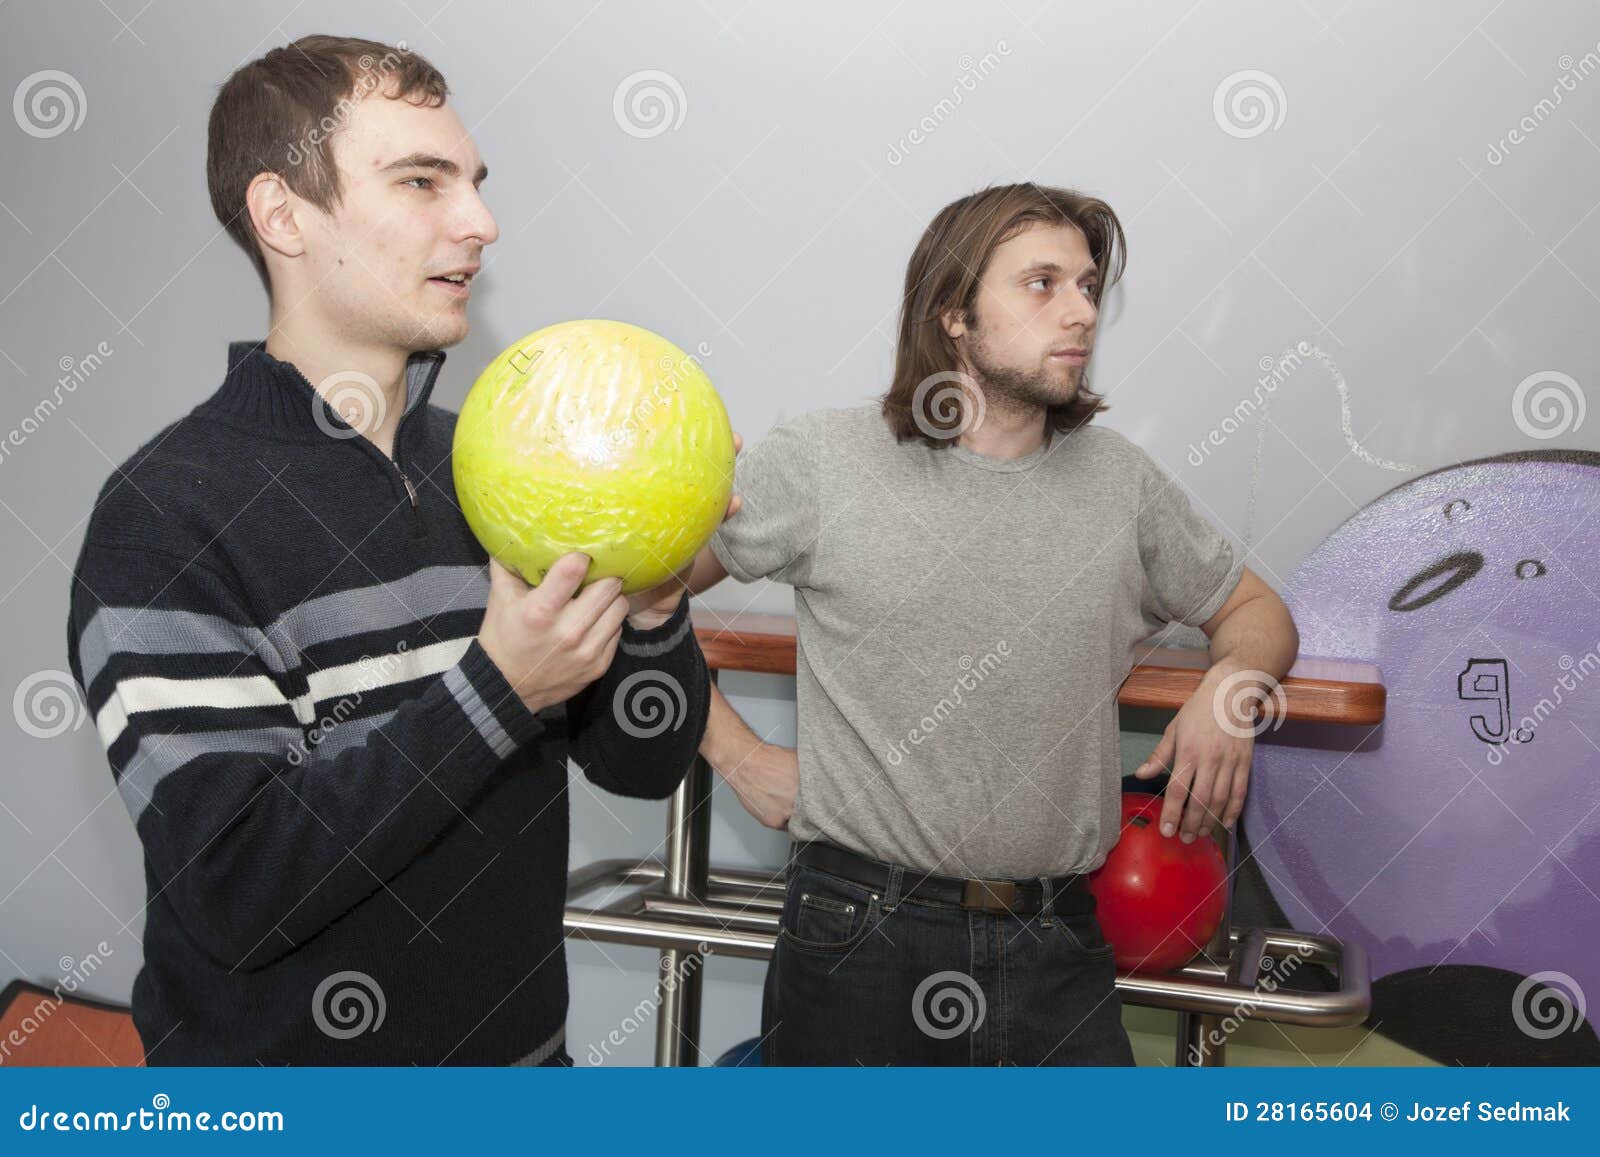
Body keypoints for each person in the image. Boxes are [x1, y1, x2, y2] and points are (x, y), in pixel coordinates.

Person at [65, 34, 724, 1066]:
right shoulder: (163, 512)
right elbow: (239, 887)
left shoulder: (499, 466)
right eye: (421, 181)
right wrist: (500, 683)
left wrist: (653, 599)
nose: (479, 222)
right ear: (282, 215)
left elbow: (638, 758)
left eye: (473, 182)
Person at [684, 183, 1300, 1065]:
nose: (1080, 311)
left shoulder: (1121, 483)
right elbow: (639, 595)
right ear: (955, 317)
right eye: (1042, 284)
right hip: (859, 938)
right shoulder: (824, 458)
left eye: (1088, 286)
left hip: (1058, 943)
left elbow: (1255, 611)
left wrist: (1231, 688)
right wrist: (738, 757)